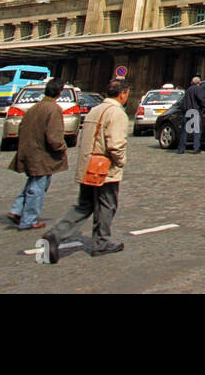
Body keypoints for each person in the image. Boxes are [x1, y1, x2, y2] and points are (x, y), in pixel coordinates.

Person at [44, 80, 129, 262]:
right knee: (107, 205)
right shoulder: (117, 113)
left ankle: (55, 234)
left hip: (88, 165)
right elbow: (116, 145)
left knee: (84, 205)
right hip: (104, 169)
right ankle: (101, 242)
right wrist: (121, 162)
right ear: (122, 94)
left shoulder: (95, 110)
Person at [7, 77, 68, 230]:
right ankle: (28, 220)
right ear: (59, 93)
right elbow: (54, 136)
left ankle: (17, 209)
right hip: (42, 154)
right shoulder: (54, 109)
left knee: (34, 183)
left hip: (30, 150)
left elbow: (22, 128)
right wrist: (61, 148)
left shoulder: (35, 107)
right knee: (38, 187)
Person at [177, 76, 205, 154]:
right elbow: (201, 99)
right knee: (196, 131)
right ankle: (196, 148)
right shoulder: (198, 89)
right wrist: (204, 106)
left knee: (184, 131)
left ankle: (181, 149)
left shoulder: (188, 90)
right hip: (194, 111)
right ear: (199, 83)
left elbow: (183, 102)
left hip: (186, 112)